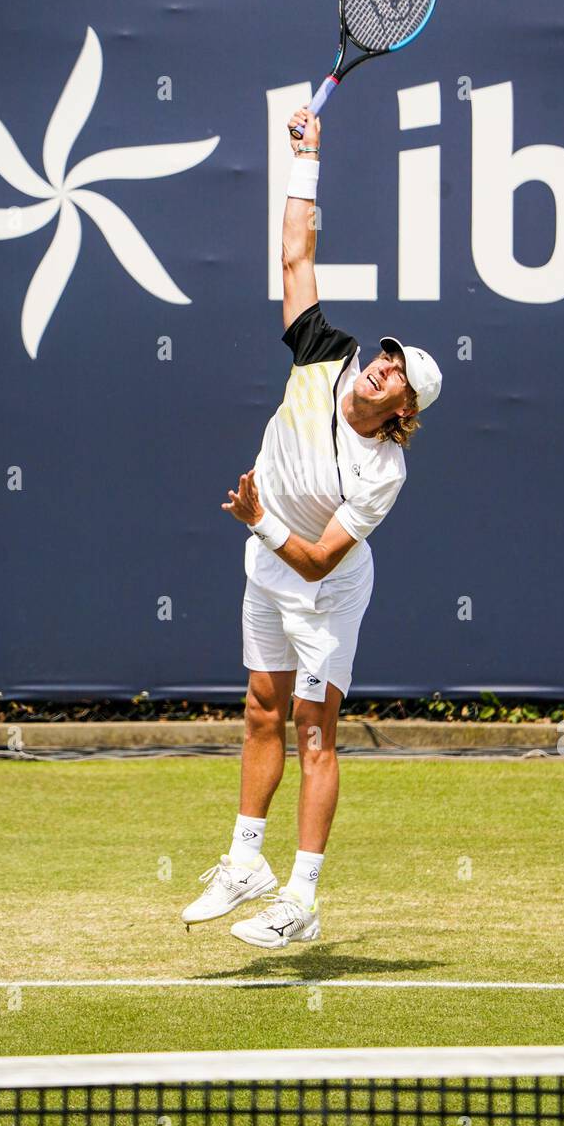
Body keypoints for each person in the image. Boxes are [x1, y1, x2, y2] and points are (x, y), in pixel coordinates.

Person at [181, 106, 442, 948]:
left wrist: (258, 523)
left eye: (398, 373)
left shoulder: (383, 472)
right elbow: (296, 252)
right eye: (389, 354)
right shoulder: (327, 349)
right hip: (267, 558)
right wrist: (307, 157)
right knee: (260, 708)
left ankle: (302, 896)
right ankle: (245, 860)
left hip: (324, 587)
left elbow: (324, 558)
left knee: (313, 729)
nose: (384, 364)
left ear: (402, 410)